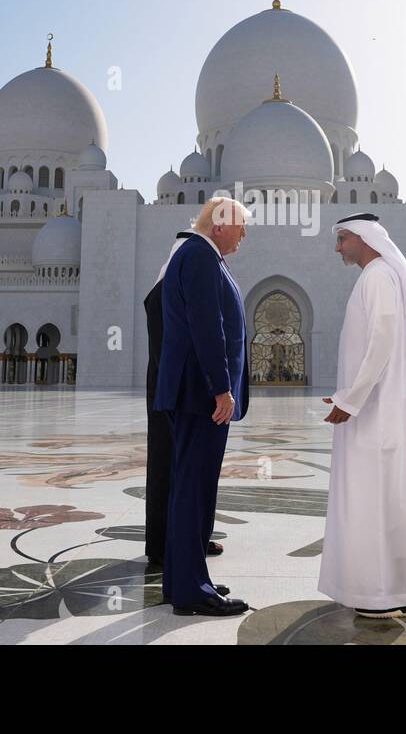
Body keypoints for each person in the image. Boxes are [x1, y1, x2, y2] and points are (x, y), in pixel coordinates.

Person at [319, 212, 406, 619]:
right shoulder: (377, 276)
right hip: (371, 409)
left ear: (364, 239)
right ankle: (388, 591)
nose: (338, 248)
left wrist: (352, 400)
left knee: (374, 500)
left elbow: (382, 341)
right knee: (379, 499)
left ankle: (380, 594)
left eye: (342, 239)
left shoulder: (377, 276)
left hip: (373, 413)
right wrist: (346, 397)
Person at [154, 196, 252, 616]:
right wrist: (221, 389)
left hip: (194, 392)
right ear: (219, 224)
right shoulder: (198, 257)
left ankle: (185, 580)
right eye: (241, 226)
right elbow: (206, 328)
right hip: (200, 395)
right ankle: (192, 590)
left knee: (190, 489)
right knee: (194, 490)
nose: (244, 235)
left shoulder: (200, 256)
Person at [143, 229, 230, 563]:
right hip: (177, 394)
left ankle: (190, 536)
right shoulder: (170, 286)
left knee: (188, 469)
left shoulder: (170, 284)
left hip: (181, 390)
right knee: (171, 467)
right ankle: (166, 546)